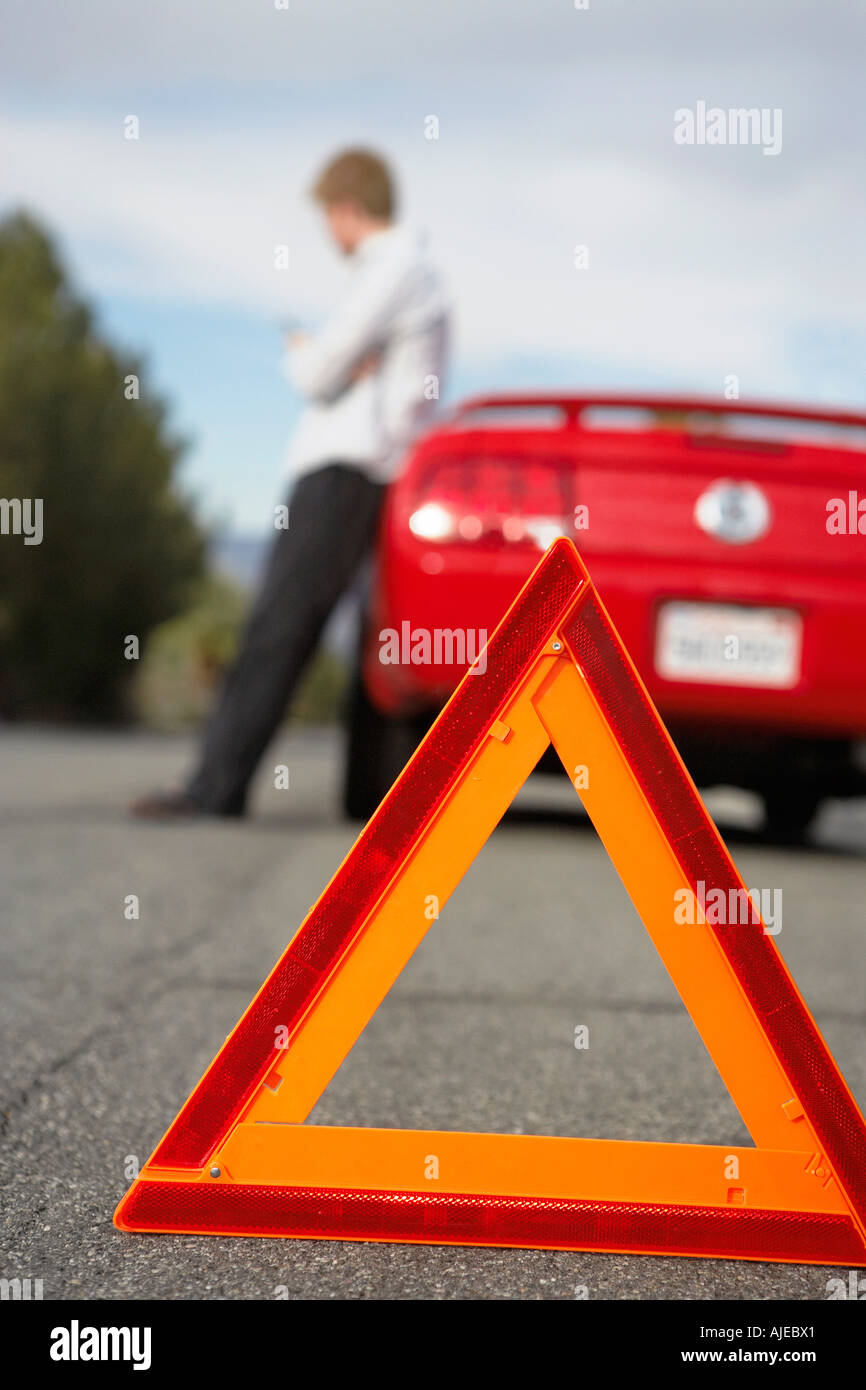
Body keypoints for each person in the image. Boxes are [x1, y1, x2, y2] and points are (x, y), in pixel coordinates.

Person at [132, 148, 450, 819]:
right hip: (379, 470)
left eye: (329, 217)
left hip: (345, 470)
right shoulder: (412, 272)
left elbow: (318, 375)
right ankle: (360, 796)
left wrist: (310, 353)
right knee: (364, 631)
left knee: (278, 627)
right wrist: (342, 362)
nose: (328, 233)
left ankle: (214, 787)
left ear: (346, 208)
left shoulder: (392, 269)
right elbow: (350, 367)